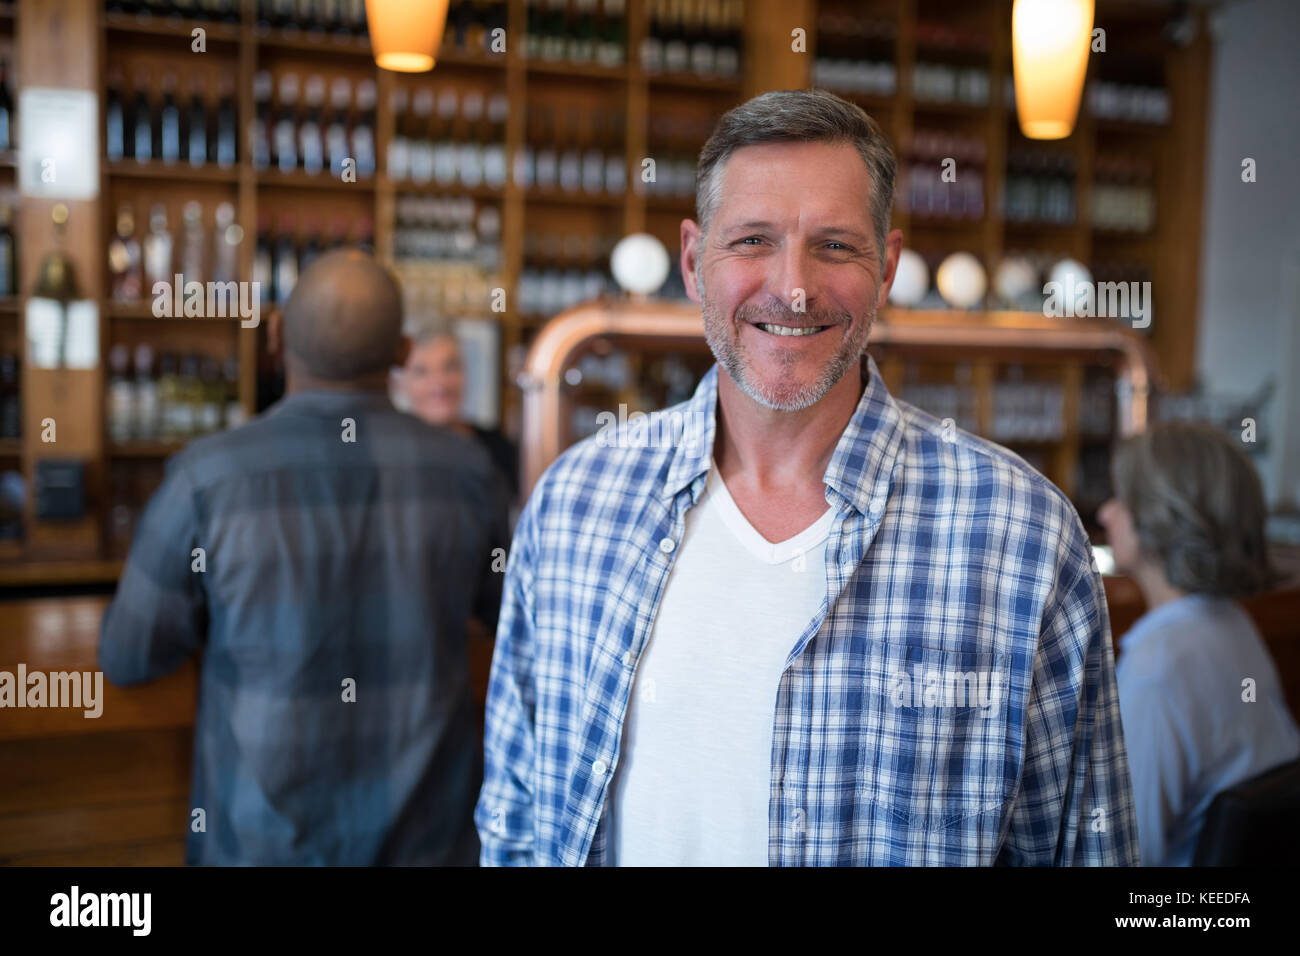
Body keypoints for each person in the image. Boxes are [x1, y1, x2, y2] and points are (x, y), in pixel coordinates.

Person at [475, 89, 1138, 866]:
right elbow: (515, 824)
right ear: (694, 263)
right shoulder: (573, 505)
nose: (793, 287)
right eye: (753, 240)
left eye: (833, 246)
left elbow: (1085, 851)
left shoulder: (1022, 534)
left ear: (887, 268)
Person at [100, 250, 508, 865]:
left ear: (277, 338)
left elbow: (130, 657)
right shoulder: (469, 474)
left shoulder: (206, 478)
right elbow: (513, 623)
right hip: (430, 842)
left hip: (259, 845)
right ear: (401, 354)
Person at [1100, 422, 1300, 866]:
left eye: (1123, 500)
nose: (1105, 513)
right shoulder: (1231, 623)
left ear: (1161, 517)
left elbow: (1122, 856)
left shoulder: (1158, 667)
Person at [396, 316, 519, 500]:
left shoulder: (496, 448)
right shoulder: (393, 455)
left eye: (450, 367)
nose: (439, 384)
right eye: (421, 372)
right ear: (401, 383)